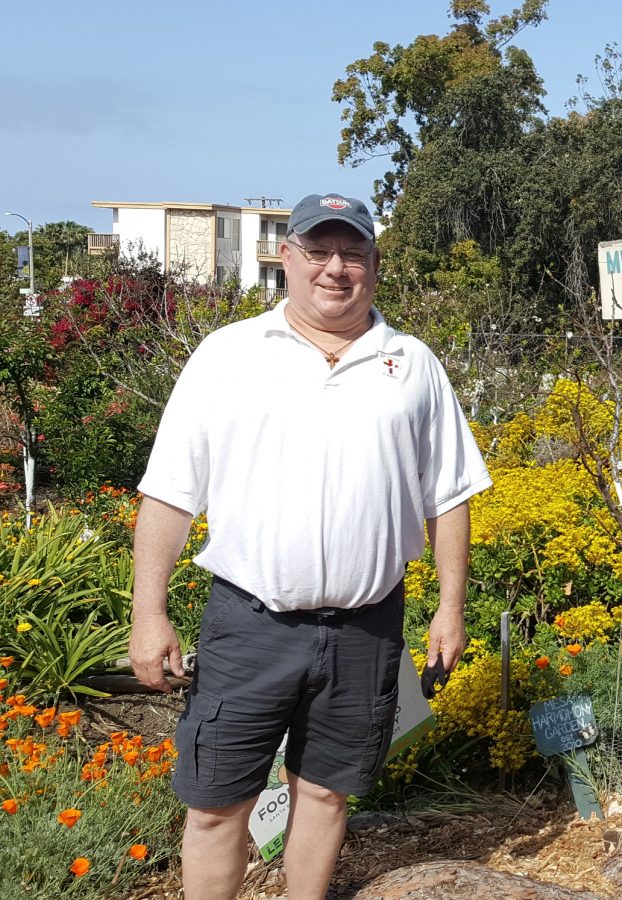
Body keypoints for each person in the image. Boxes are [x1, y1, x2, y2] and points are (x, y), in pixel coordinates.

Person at [128, 192, 491, 900]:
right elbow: (168, 493)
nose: (335, 268)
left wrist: (451, 608)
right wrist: (150, 612)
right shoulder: (228, 354)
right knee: (215, 806)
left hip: (366, 629)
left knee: (325, 796)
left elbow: (448, 495)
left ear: (374, 267)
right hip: (249, 626)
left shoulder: (411, 364)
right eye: (318, 252)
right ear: (286, 259)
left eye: (352, 253)